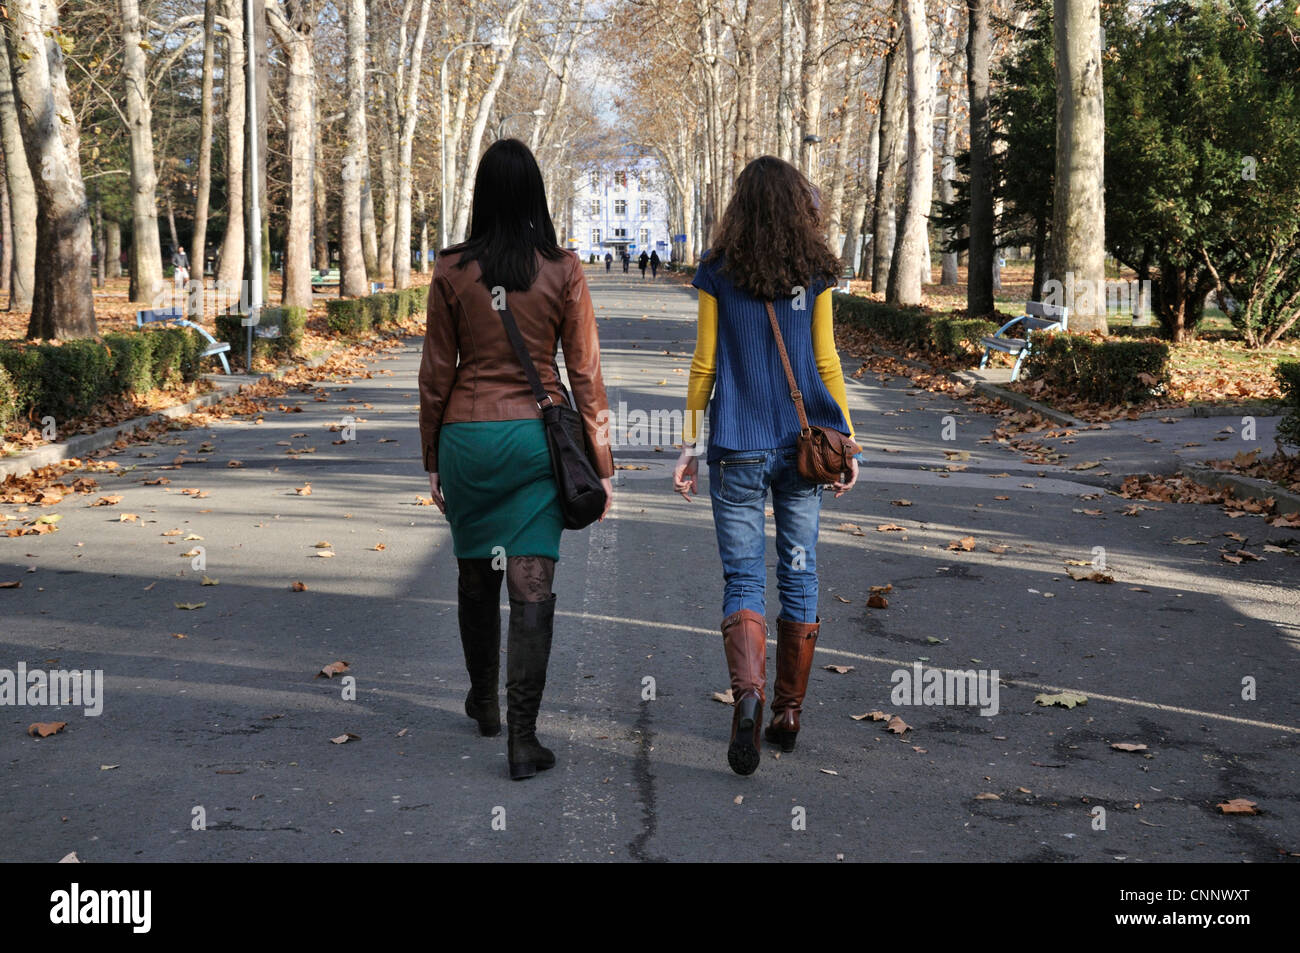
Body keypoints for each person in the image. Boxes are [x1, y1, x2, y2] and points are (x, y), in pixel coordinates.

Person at [419, 138, 614, 781]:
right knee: (532, 585)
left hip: (468, 438)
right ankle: (523, 739)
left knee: (476, 574)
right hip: (536, 443)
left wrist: (432, 458)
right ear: (536, 194)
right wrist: (603, 464)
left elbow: (435, 373)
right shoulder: (562, 269)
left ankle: (483, 702)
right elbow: (584, 373)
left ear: (481, 195)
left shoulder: (451, 270)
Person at [672, 155, 859, 777]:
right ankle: (788, 713)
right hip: (805, 450)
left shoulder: (717, 274)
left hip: (736, 445)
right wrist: (847, 440)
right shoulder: (817, 273)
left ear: (739, 208)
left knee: (744, 577)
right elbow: (827, 364)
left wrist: (690, 445)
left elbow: (704, 367)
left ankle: (747, 695)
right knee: (800, 570)